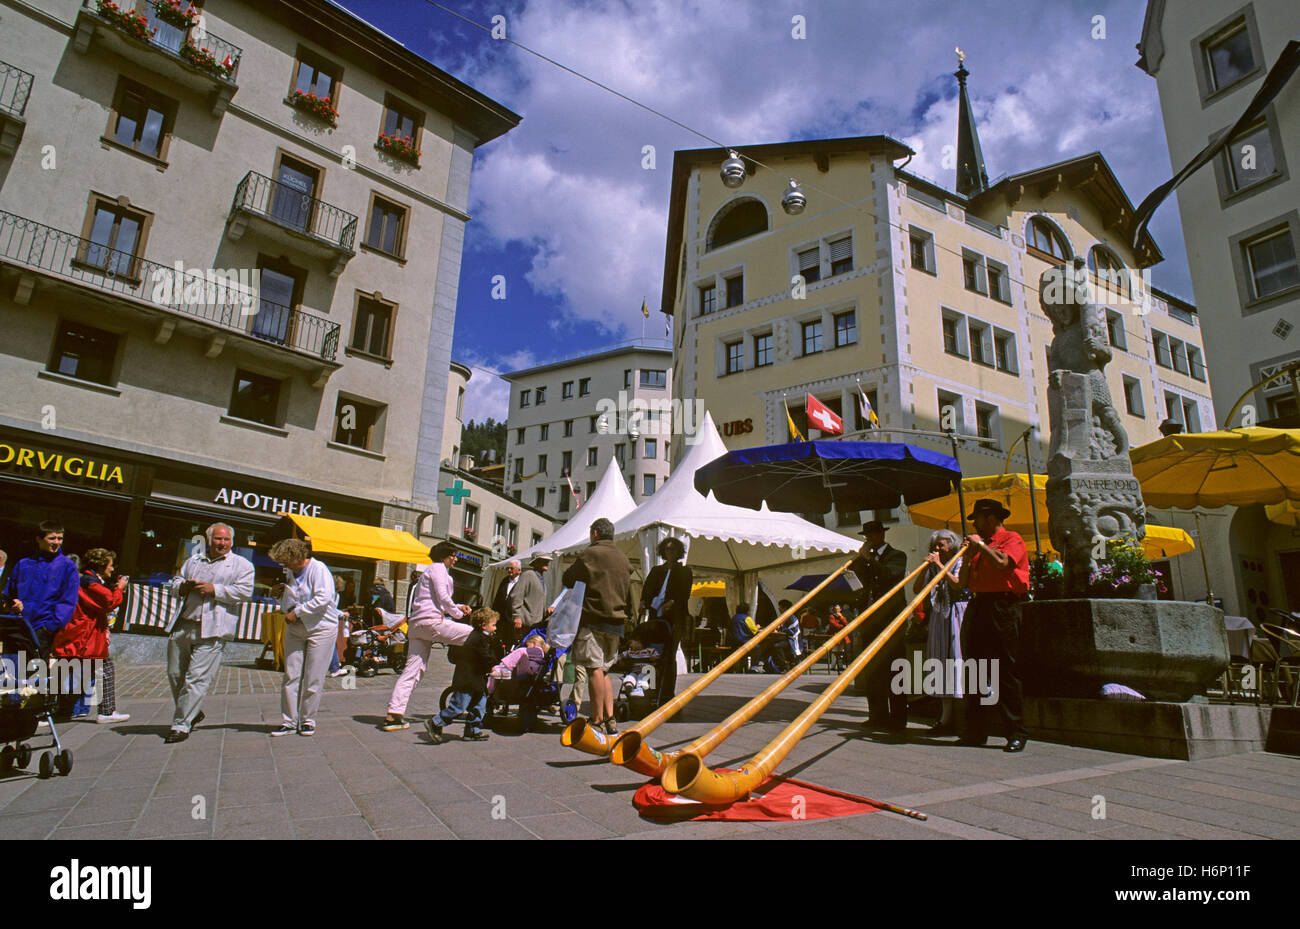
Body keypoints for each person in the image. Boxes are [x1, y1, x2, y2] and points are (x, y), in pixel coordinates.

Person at [164, 523, 253, 743]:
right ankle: (193, 711)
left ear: (232, 541)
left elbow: (245, 592)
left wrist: (215, 590)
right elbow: (174, 582)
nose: (221, 543)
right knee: (175, 674)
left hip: (213, 629)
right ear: (209, 539)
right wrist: (183, 587)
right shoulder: (194, 561)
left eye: (226, 540)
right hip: (184, 624)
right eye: (217, 539)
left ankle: (181, 725)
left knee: (196, 679)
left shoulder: (242, 565)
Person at [958, 498, 1030, 753]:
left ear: (990, 518)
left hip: (1003, 605)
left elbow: (1003, 564)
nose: (975, 525)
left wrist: (980, 547)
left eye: (976, 519)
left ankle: (1016, 732)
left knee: (1004, 670)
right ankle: (976, 731)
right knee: (974, 668)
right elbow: (963, 583)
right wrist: (968, 557)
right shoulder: (980, 545)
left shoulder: (1012, 538)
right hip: (979, 604)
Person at [382, 541, 472, 731]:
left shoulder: (428, 572)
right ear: (444, 556)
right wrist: (458, 614)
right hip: (431, 622)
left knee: (413, 670)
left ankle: (394, 714)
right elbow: (442, 597)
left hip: (417, 624)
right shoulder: (439, 568)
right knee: (473, 636)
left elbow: (435, 600)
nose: (455, 559)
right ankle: (469, 689)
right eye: (453, 555)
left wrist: (457, 607)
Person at [561, 517, 632, 735]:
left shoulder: (590, 554)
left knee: (593, 670)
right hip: (617, 622)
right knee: (604, 671)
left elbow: (568, 578)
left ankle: (597, 719)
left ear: (595, 534)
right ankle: (611, 718)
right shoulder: (623, 558)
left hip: (593, 619)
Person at [50, 547, 130, 724]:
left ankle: (63, 711)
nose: (112, 569)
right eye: (110, 565)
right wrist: (120, 589)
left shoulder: (87, 580)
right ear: (101, 566)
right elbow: (109, 601)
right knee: (103, 668)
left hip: (81, 633)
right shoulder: (90, 582)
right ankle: (106, 711)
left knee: (74, 671)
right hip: (85, 634)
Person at [268, 538, 338, 737]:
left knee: (313, 676)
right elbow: (290, 599)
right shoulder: (290, 572)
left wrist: (297, 612)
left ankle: (308, 719)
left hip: (321, 628)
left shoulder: (319, 569)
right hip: (296, 628)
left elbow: (323, 598)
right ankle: (288, 721)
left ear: (297, 557)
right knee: (291, 674)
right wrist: (278, 596)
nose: (284, 566)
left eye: (286, 561)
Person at [850, 520, 909, 739]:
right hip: (870, 620)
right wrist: (859, 559)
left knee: (895, 669)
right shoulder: (866, 559)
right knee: (873, 670)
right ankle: (877, 714)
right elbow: (855, 579)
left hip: (891, 619)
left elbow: (889, 575)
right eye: (866, 536)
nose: (869, 539)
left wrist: (868, 560)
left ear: (881, 536)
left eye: (872, 535)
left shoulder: (897, 556)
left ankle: (898, 718)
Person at [913, 529, 967, 735]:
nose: (936, 549)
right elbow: (918, 589)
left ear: (950, 546)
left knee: (957, 659)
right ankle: (945, 717)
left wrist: (938, 565)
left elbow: (958, 585)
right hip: (939, 616)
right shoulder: (934, 566)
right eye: (934, 545)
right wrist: (924, 568)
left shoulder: (959, 560)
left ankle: (961, 717)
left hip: (956, 613)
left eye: (941, 545)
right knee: (941, 662)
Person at [426, 607, 500, 743]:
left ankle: (472, 730)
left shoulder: (482, 637)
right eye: (493, 625)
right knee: (459, 705)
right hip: (468, 678)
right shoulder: (478, 638)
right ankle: (436, 722)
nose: (495, 628)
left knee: (480, 704)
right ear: (484, 625)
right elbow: (484, 656)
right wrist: (492, 665)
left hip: (476, 679)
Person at [4, 521, 79, 654]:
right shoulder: (23, 564)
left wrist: (48, 628)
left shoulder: (67, 566)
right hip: (17, 628)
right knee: (9, 671)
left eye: (60, 538)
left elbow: (68, 601)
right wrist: (11, 605)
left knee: (34, 673)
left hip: (41, 631)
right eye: (52, 538)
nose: (57, 542)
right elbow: (9, 595)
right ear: (38, 539)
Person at [639, 537, 692, 704]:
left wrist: (671, 603)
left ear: (678, 552)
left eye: (673, 549)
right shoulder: (656, 570)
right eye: (667, 549)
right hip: (656, 617)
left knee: (669, 656)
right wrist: (643, 602)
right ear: (663, 551)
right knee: (652, 654)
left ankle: (668, 693)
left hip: (674, 619)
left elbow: (684, 594)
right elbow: (646, 590)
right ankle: (651, 688)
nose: (670, 552)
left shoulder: (684, 571)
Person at [509, 555, 551, 638]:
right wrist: (517, 617)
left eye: (548, 561)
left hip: (536, 625)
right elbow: (516, 596)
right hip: (526, 624)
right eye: (544, 561)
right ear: (536, 563)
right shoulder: (528, 575)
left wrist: (546, 612)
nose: (547, 563)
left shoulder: (542, 580)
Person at [492, 559, 521, 649]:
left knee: (509, 644)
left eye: (511, 568)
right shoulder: (505, 581)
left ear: (519, 570)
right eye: (508, 568)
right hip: (501, 619)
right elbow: (497, 598)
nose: (509, 570)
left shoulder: (522, 583)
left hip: (512, 620)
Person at [729, 602, 764, 672]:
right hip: (745, 641)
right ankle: (754, 666)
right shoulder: (747, 618)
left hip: (734, 642)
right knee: (759, 647)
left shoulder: (733, 618)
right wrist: (757, 627)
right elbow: (754, 630)